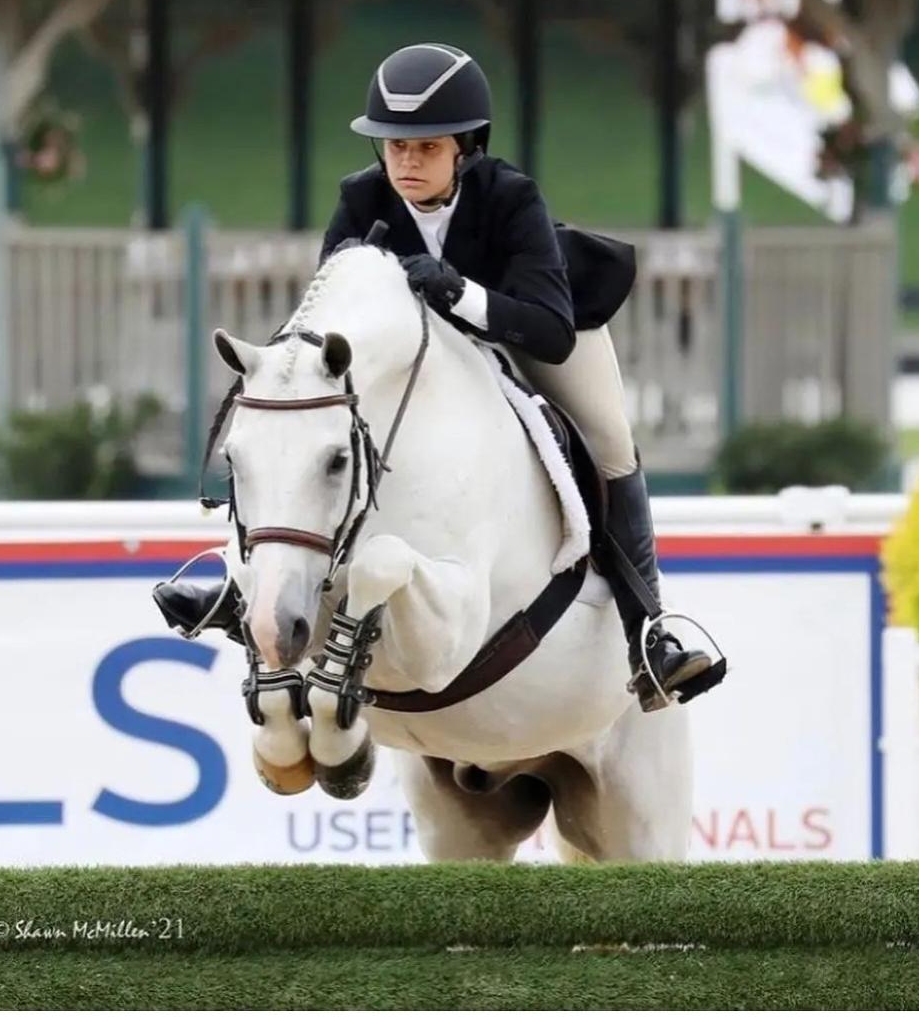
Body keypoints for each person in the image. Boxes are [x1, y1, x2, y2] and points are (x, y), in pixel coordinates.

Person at [154, 43, 719, 712]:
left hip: (525, 330)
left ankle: (649, 633)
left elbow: (550, 329)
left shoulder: (510, 197)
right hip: (415, 356)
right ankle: (237, 582)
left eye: (426, 148)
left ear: (466, 148)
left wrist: (460, 293)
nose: (407, 163)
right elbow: (329, 310)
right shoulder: (360, 199)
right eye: (396, 147)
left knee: (610, 442)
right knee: (301, 425)